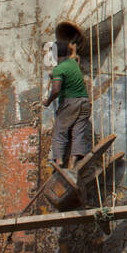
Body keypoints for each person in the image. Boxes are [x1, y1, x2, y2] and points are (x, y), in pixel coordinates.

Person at [44, 40, 92, 171]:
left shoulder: (59, 69)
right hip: (85, 103)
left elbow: (55, 90)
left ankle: (58, 161)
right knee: (78, 132)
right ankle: (73, 162)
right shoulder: (73, 63)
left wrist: (47, 102)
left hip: (70, 103)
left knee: (60, 132)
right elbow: (66, 74)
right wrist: (53, 75)